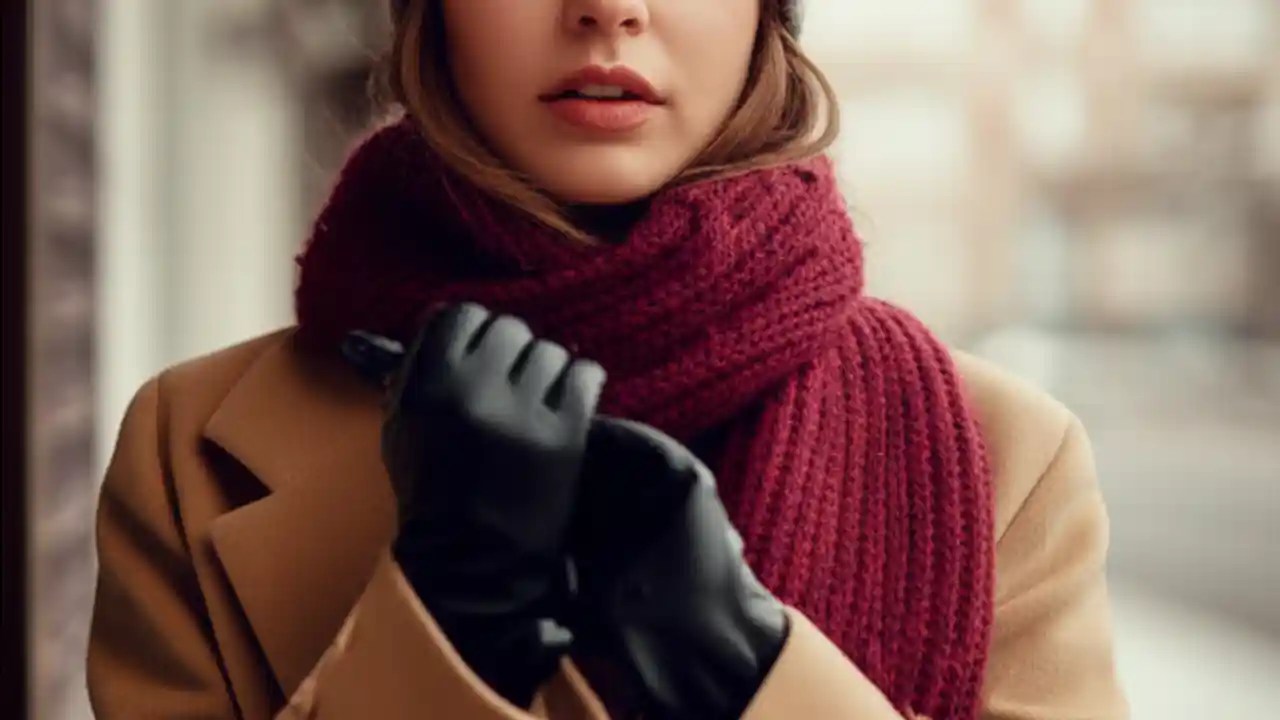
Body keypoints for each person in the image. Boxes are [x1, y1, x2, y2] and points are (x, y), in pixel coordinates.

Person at [87, 1, 1130, 718]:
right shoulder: (192, 447)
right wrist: (449, 613)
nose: (607, 7)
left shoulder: (1004, 457)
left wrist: (744, 665)